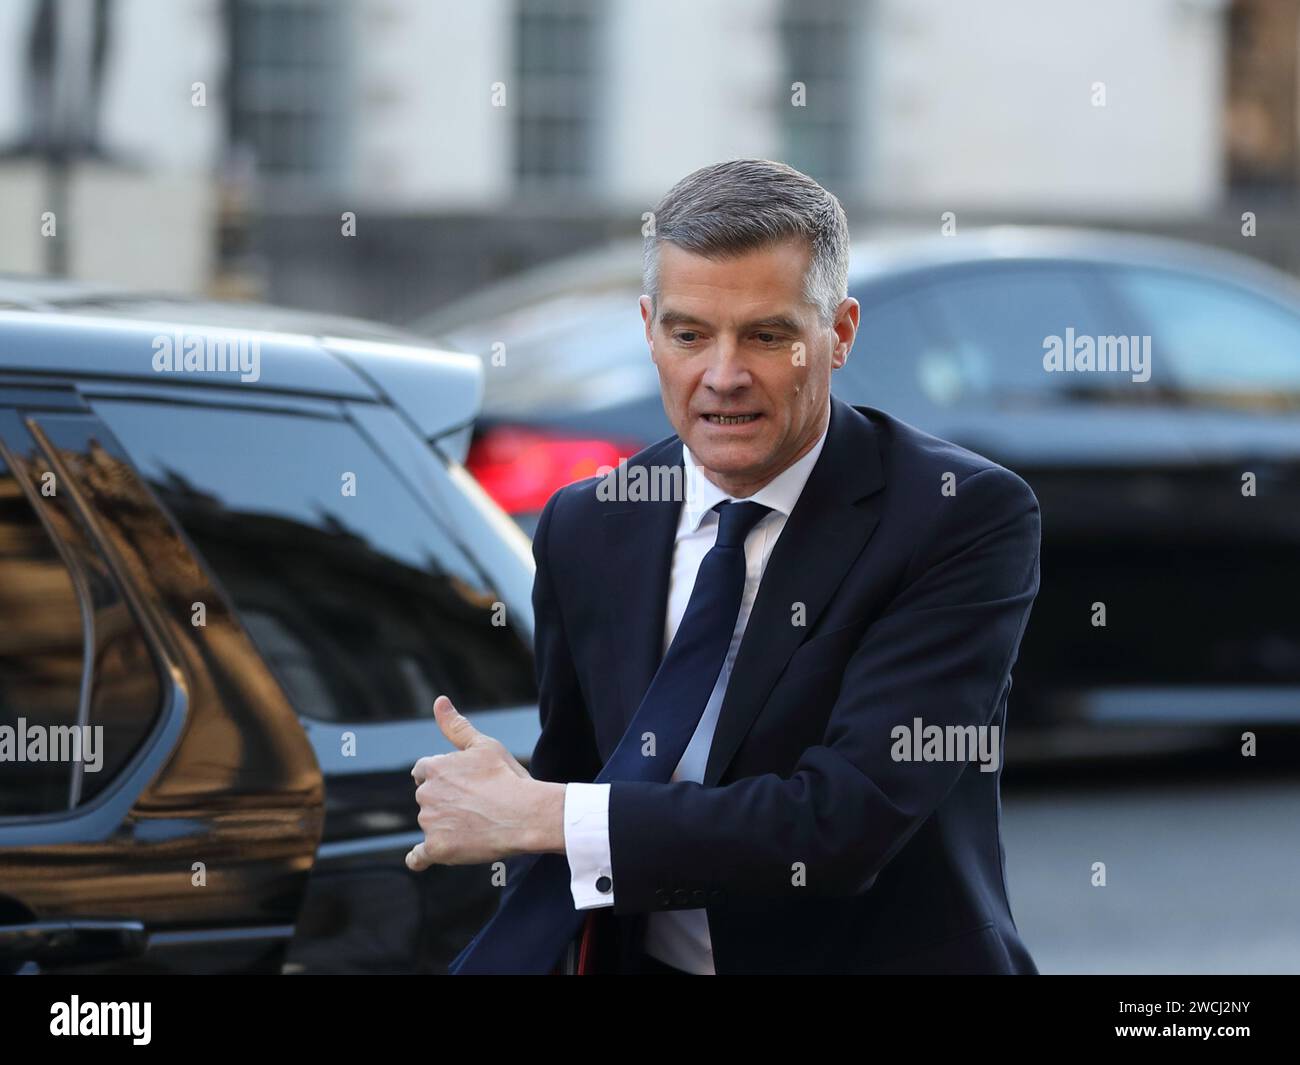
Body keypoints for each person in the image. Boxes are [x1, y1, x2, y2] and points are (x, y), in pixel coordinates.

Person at [408, 158, 1041, 975]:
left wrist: (545, 814)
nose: (723, 374)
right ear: (650, 330)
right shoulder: (588, 525)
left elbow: (843, 824)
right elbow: (582, 780)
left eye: (767, 335)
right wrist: (537, 819)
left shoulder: (959, 515)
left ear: (839, 334)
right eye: (689, 334)